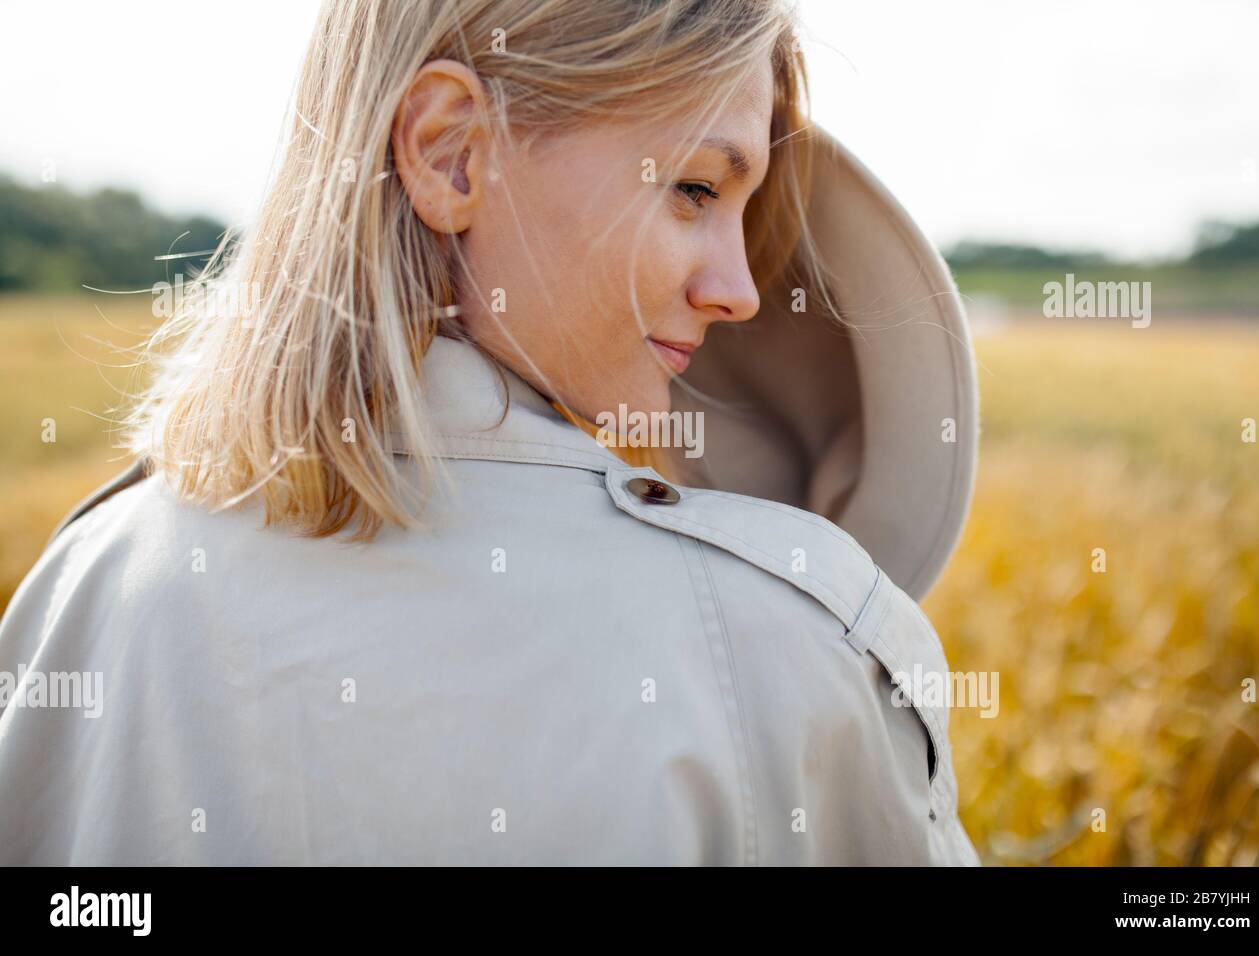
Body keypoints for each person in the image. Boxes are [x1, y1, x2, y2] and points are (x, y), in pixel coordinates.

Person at [0, 0, 980, 865]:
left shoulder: (85, 585)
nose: (740, 289)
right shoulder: (792, 643)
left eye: (745, 208)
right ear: (449, 152)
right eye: (692, 188)